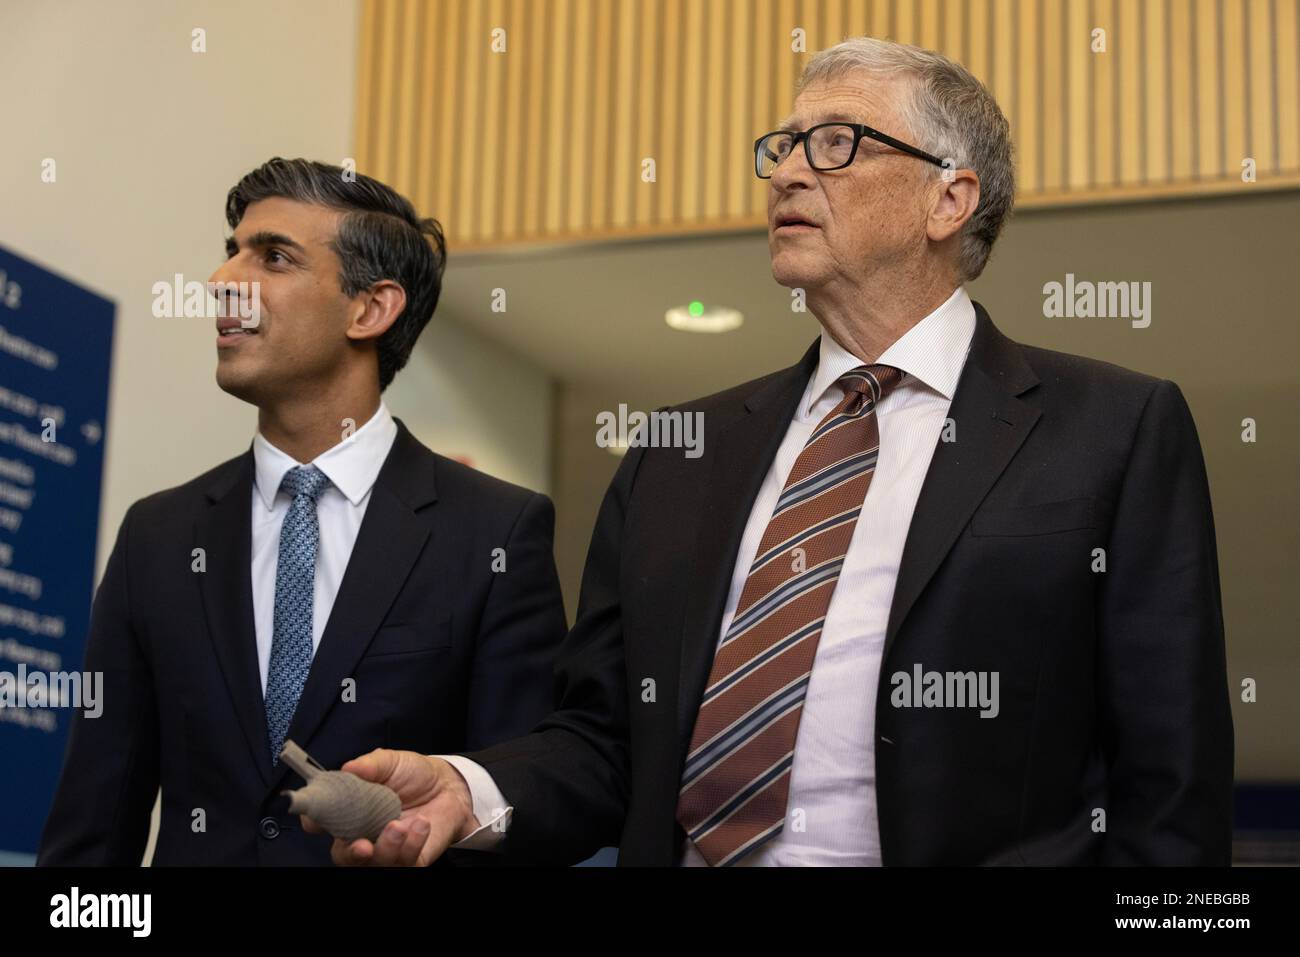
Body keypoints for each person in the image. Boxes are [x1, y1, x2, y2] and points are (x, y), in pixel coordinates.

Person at [318, 37, 1233, 867]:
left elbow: (1172, 790)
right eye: (782, 146)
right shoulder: (677, 452)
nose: (788, 172)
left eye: (835, 143)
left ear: (949, 198)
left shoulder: (1113, 427)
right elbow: (605, 742)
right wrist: (472, 788)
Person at [37, 158, 567, 865]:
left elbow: (520, 807)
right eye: (231, 252)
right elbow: (91, 833)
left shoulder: (496, 531)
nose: (222, 283)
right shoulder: (157, 536)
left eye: (274, 257)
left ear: (371, 308)